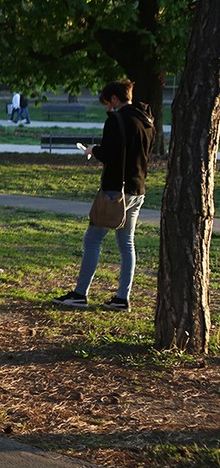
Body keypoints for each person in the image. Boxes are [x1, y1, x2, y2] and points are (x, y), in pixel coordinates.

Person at [53, 79, 154, 312]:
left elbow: (109, 154)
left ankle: (80, 294)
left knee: (92, 239)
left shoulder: (116, 120)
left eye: (108, 103)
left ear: (115, 99)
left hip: (115, 190)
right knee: (127, 242)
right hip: (138, 189)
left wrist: (93, 150)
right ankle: (122, 297)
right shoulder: (147, 121)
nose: (108, 108)